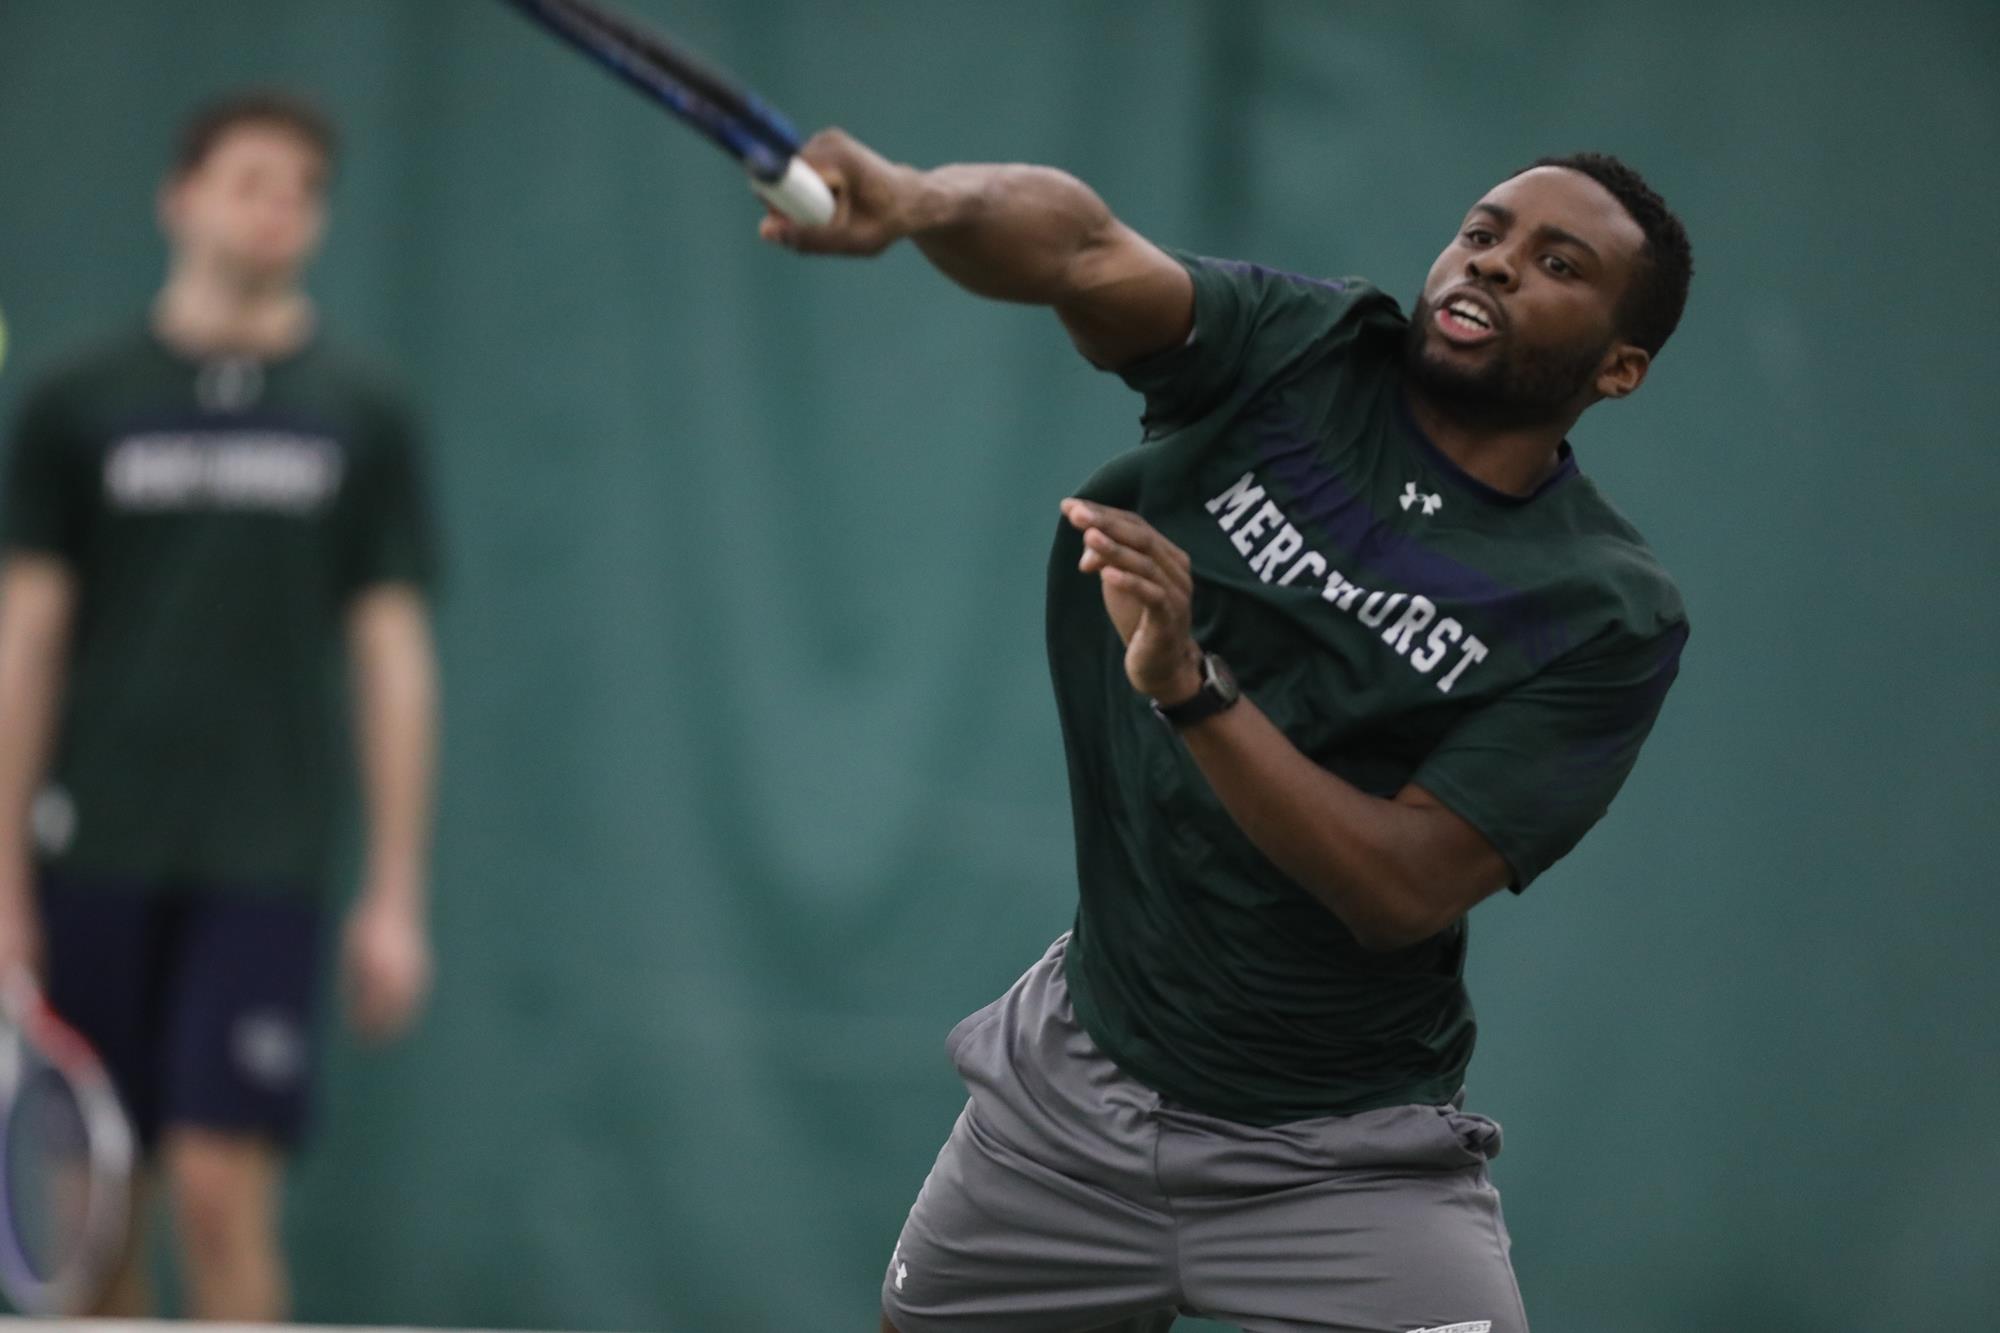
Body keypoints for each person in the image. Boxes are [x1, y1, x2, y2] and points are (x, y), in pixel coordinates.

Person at [761, 133, 1692, 1332]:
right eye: (1482, 232)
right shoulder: (1296, 350)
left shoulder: (1601, 609)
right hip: (1066, 1109)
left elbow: (1400, 886)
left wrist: (1190, 686)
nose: (1494, 264)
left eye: (1555, 261)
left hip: (1339, 1160)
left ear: (1619, 368)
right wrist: (919, 203)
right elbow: (1084, 250)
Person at [0, 90, 439, 1320]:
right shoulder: (75, 398)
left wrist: (395, 892)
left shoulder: (362, 408)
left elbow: (394, 652)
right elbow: (25, 642)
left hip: (265, 864)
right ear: (180, 198)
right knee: (93, 1229)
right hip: (90, 856)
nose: (277, 210)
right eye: (250, 180)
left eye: (303, 190)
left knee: (216, 1194)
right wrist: (2, 886)